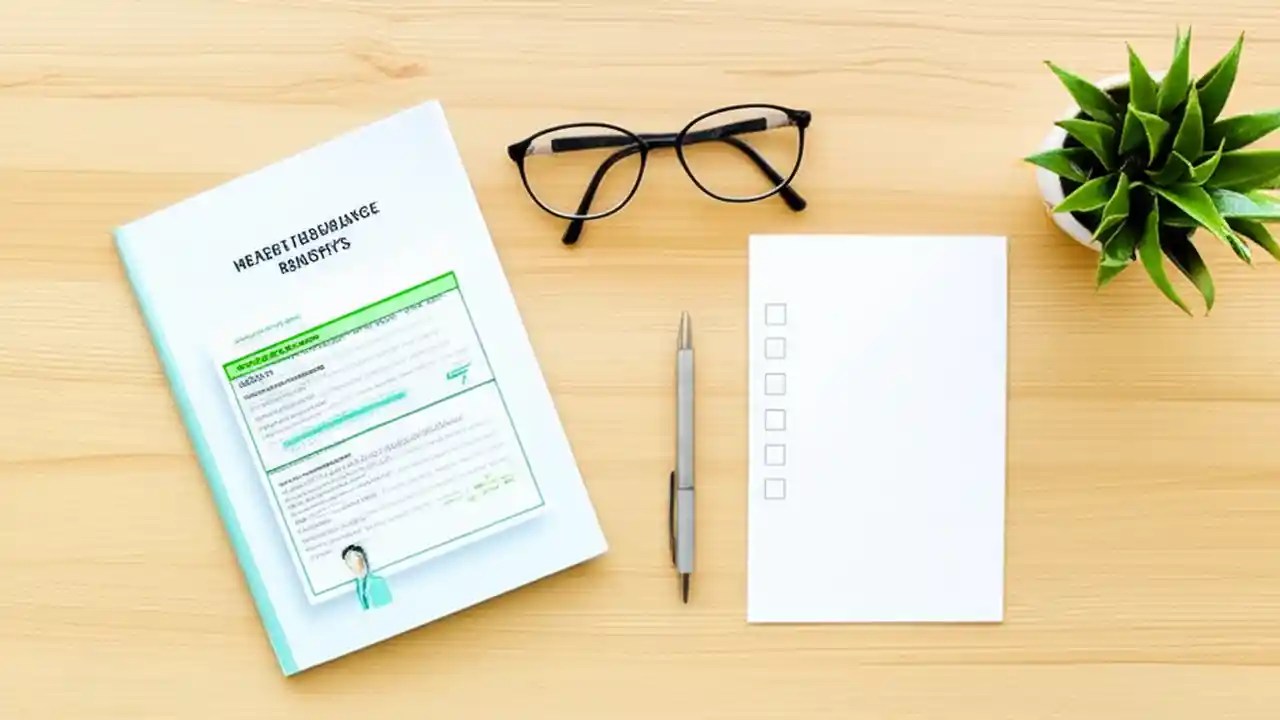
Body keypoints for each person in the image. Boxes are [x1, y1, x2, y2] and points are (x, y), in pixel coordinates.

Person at [341, 544, 393, 610]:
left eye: (355, 560)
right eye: (348, 562)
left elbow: (387, 609)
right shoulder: (357, 586)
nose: (352, 565)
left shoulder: (377, 582)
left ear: (363, 559)